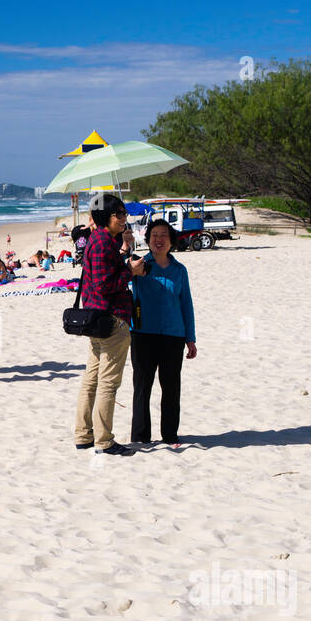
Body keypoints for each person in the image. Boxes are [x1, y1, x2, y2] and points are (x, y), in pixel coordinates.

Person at [73, 193, 145, 455]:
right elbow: (105, 285)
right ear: (107, 217)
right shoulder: (103, 242)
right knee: (107, 382)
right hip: (111, 318)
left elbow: (101, 276)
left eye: (125, 214)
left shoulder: (100, 240)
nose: (124, 219)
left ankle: (84, 434)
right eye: (120, 215)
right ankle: (104, 440)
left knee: (92, 379)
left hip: (97, 318)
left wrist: (124, 252)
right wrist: (131, 271)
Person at [129, 219, 197, 448]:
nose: (159, 239)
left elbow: (186, 304)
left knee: (171, 387)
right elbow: (121, 277)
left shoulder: (180, 270)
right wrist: (130, 263)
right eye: (155, 235)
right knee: (142, 386)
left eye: (164, 235)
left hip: (173, 335)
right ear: (148, 240)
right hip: (142, 332)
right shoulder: (138, 264)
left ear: (171, 241)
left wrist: (191, 338)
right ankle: (140, 436)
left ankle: (170, 435)